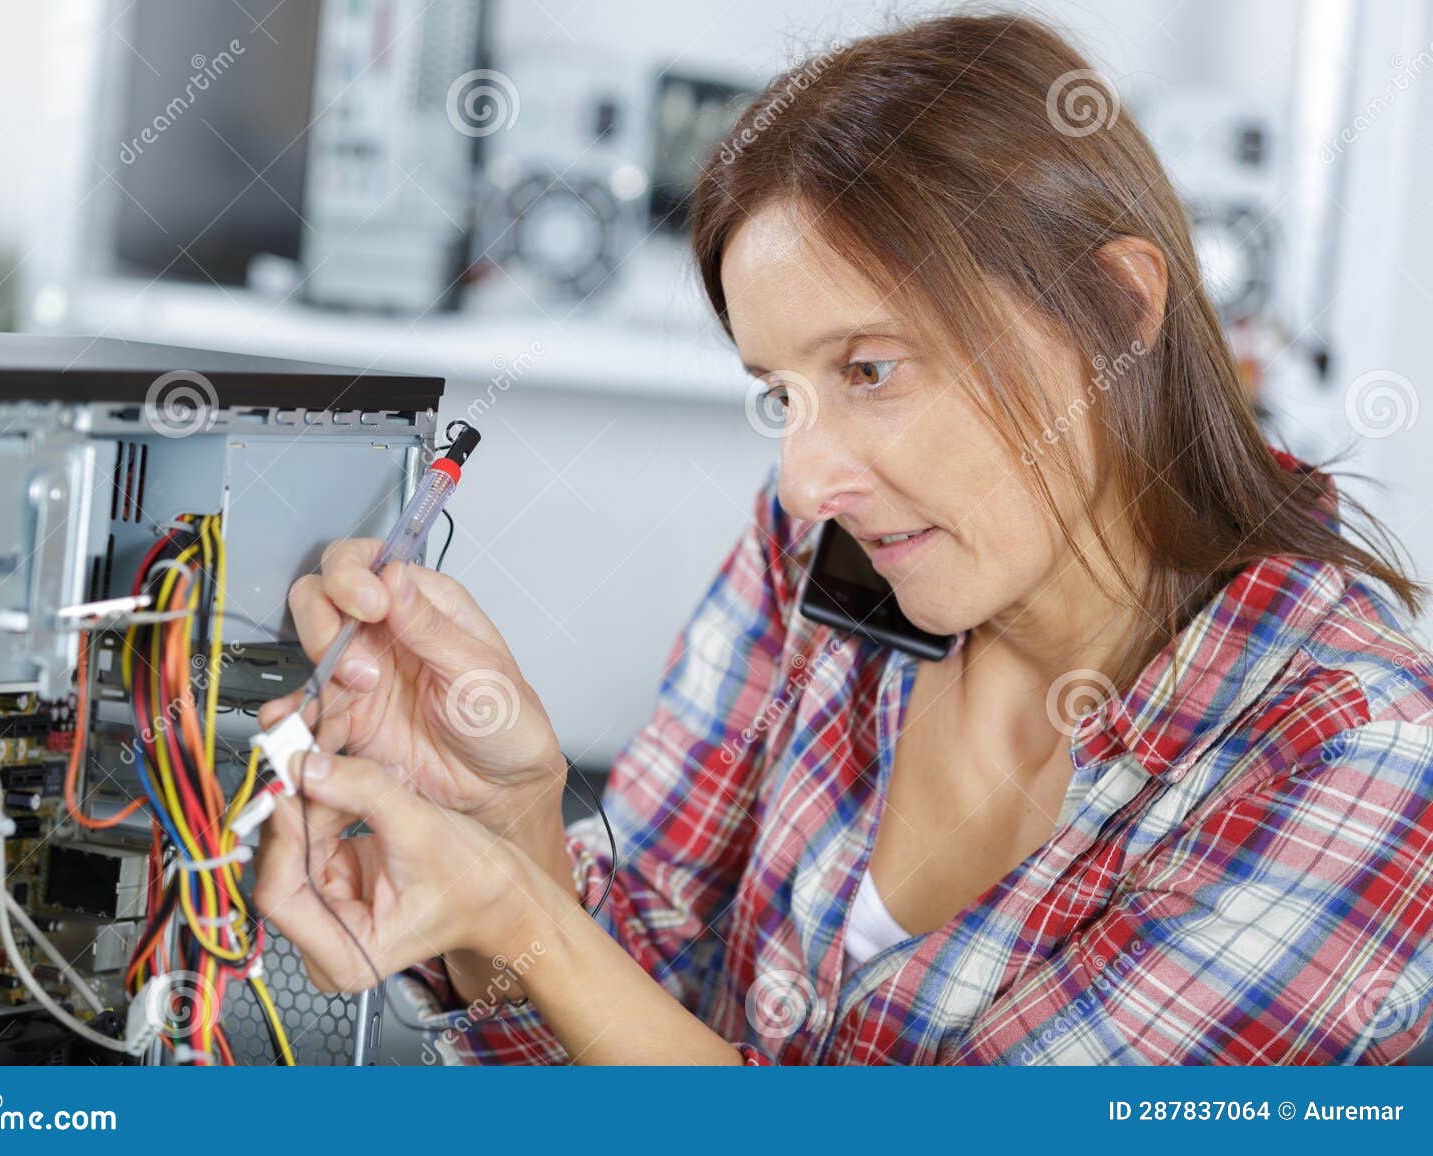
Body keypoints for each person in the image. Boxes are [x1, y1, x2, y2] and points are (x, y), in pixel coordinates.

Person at [254, 13, 1433, 1064]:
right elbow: (628, 1001)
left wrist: (517, 915)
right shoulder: (824, 554)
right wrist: (504, 818)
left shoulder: (1354, 754)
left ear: (1118, 313)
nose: (804, 475)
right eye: (782, 394)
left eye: (870, 370)